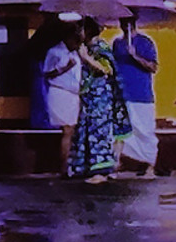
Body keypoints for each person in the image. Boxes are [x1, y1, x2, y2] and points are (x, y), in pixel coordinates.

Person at [68, 17, 127, 183]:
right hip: (89, 97)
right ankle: (87, 167)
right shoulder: (87, 48)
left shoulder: (100, 47)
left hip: (100, 98)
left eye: (81, 29)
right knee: (87, 131)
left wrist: (86, 58)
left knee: (98, 132)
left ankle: (101, 171)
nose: (79, 32)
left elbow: (107, 69)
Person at [111, 10, 159, 174]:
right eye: (122, 21)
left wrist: (135, 56)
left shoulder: (145, 42)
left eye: (128, 21)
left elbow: (153, 67)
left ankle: (150, 165)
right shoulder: (117, 43)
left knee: (145, 130)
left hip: (140, 94)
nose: (125, 24)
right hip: (121, 93)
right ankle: (116, 163)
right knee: (120, 131)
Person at [33, 23, 81, 170]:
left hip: (73, 94)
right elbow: (47, 73)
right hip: (60, 93)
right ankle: (64, 166)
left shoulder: (75, 53)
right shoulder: (55, 52)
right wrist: (64, 68)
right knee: (67, 130)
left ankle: (71, 164)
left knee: (72, 130)